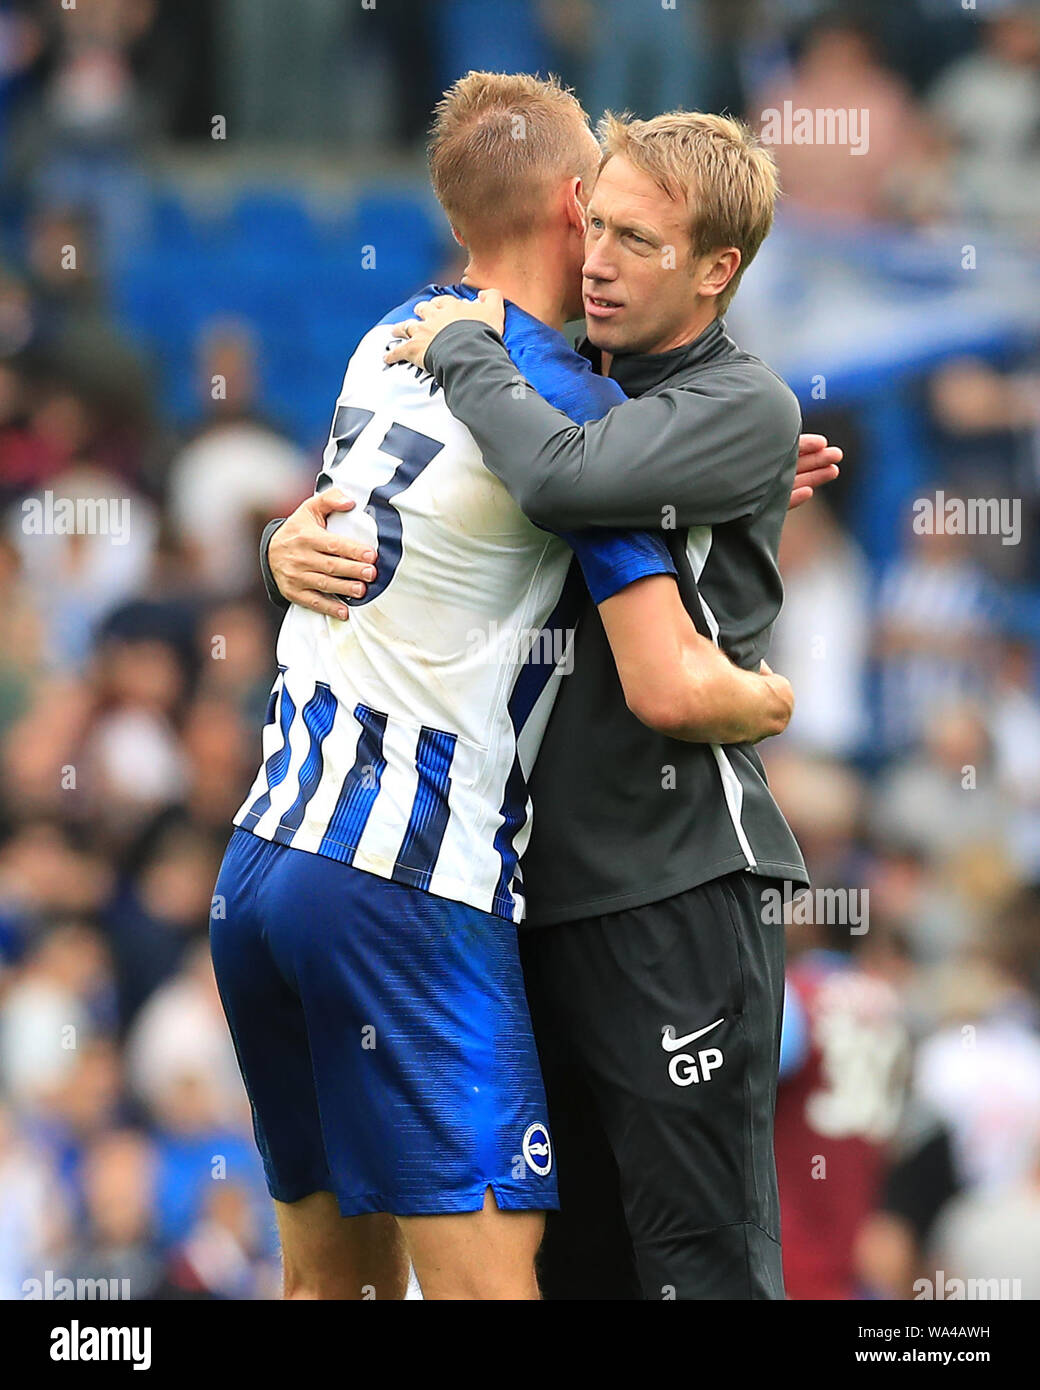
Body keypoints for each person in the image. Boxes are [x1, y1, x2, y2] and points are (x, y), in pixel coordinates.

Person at [212, 73, 798, 1303]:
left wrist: (275, 549)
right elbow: (669, 680)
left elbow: (374, 526)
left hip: (265, 861)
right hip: (406, 878)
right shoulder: (568, 413)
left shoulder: (390, 335)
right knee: (503, 1284)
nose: (616, 238)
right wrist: (766, 698)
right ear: (573, 209)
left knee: (331, 1286)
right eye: (613, 214)